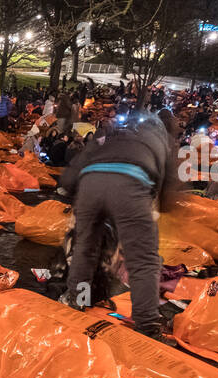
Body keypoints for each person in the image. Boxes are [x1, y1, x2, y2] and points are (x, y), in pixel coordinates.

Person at [60, 109, 181, 340]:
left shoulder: (115, 133)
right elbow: (167, 194)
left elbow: (75, 168)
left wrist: (76, 191)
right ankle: (147, 325)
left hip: (90, 183)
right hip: (130, 184)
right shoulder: (161, 140)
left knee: (85, 249)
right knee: (143, 260)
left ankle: (78, 302)